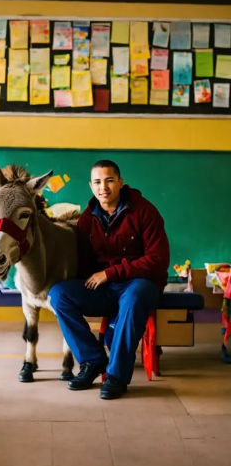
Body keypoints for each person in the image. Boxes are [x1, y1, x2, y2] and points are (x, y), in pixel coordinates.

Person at [47, 159, 169, 400]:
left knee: (134, 297)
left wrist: (110, 273)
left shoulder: (145, 211)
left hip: (139, 285)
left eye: (109, 180)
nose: (104, 187)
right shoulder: (86, 220)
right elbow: (83, 267)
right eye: (97, 182)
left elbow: (157, 260)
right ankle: (92, 361)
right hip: (105, 290)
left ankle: (116, 377)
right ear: (91, 186)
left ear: (120, 183)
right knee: (58, 294)